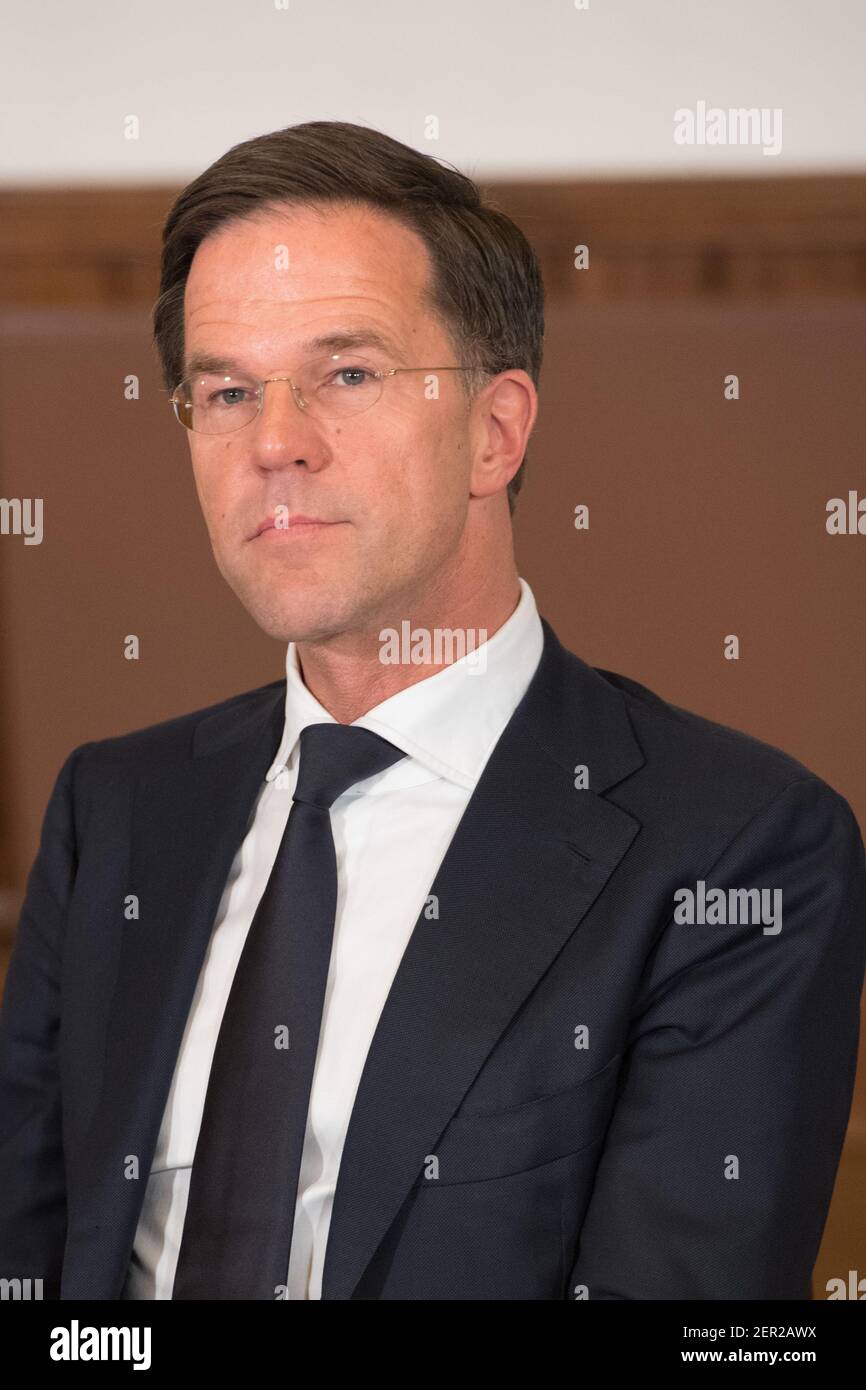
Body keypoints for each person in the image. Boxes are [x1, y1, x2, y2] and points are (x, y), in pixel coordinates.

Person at [1, 121, 864, 1301]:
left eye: (346, 374)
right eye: (227, 390)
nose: (275, 444)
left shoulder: (741, 844)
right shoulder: (115, 809)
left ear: (494, 430)